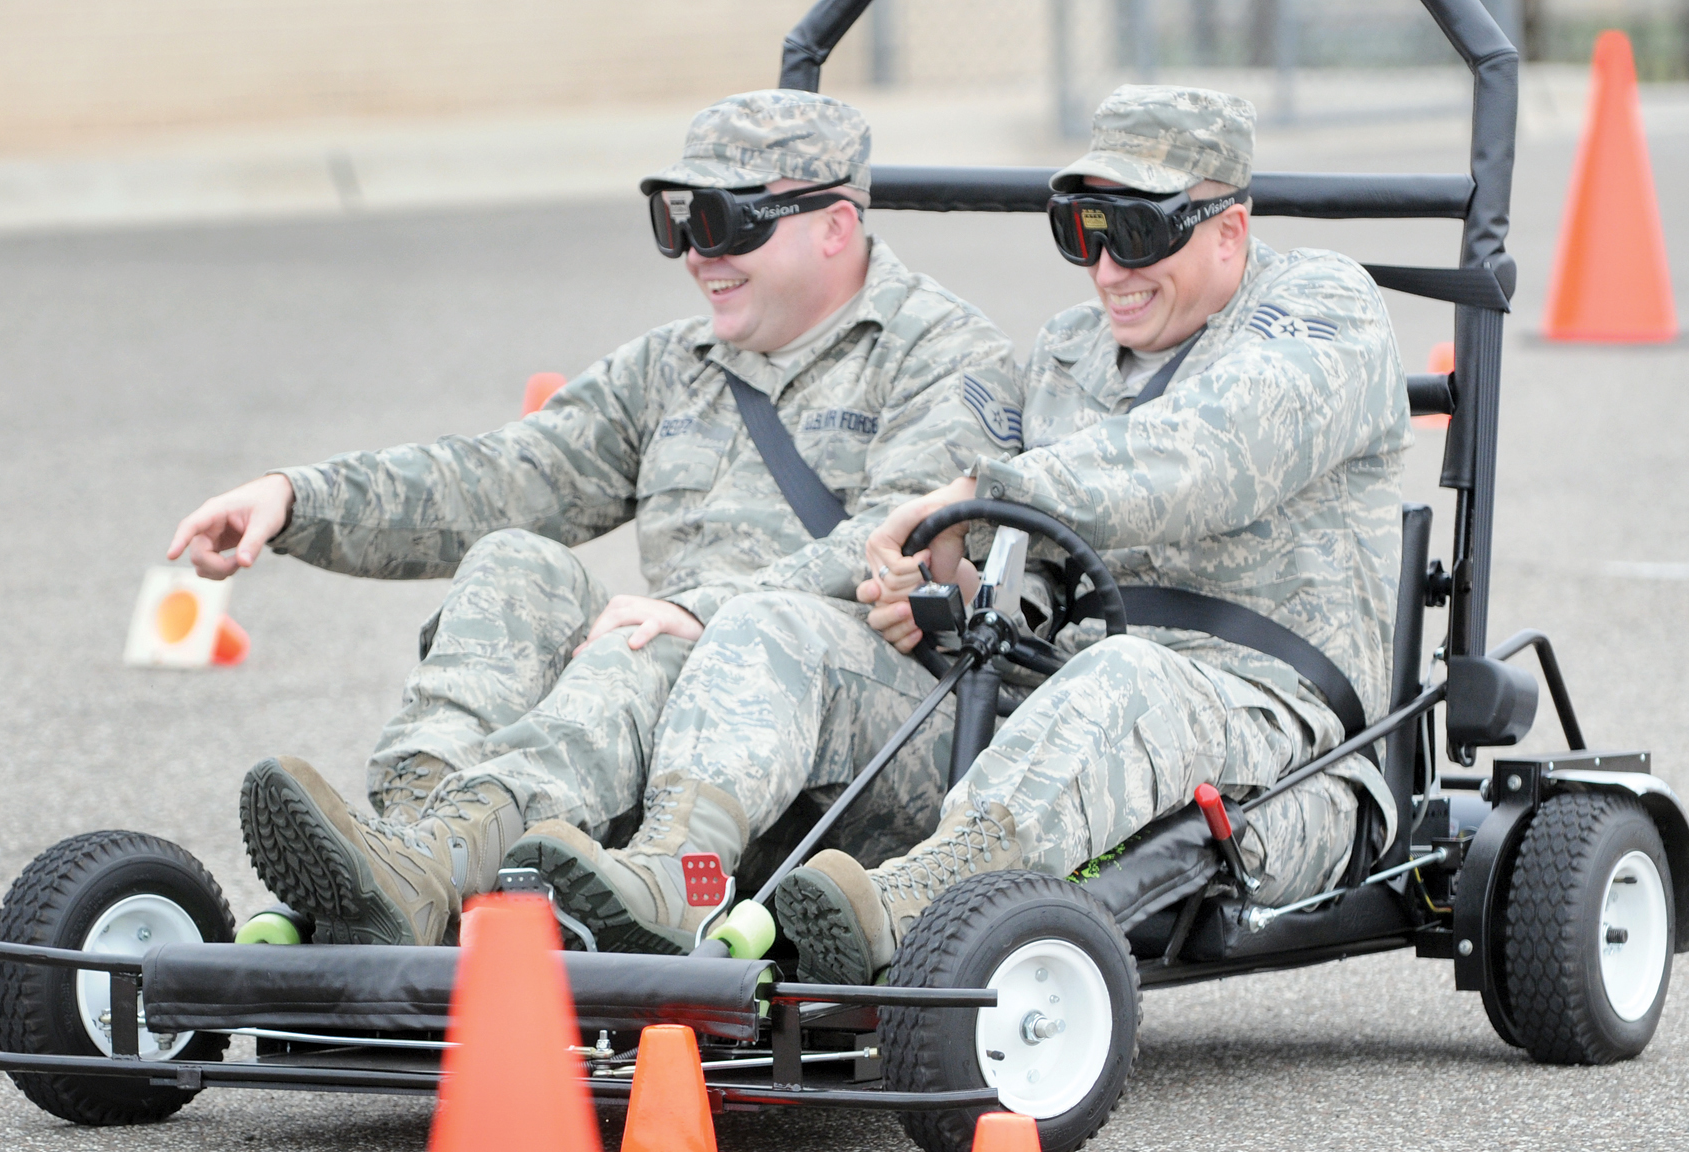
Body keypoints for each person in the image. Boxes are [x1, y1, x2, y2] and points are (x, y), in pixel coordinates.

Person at [533, 84, 1410, 982]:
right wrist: (950, 593)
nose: (1108, 270)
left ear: (1228, 229)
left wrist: (986, 492)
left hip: (1281, 753)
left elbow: (1204, 457)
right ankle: (677, 873)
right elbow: (1033, 572)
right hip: (1050, 721)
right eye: (1084, 231)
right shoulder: (1068, 352)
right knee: (773, 624)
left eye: (1138, 234)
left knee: (1124, 674)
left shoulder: (1320, 307)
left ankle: (910, 911)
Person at [166, 89, 1022, 948]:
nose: (698, 253)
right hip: (683, 737)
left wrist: (701, 612)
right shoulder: (670, 368)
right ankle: (414, 851)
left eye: (728, 222)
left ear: (834, 225)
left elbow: (895, 538)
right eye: (680, 219)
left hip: (860, 755)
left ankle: (434, 866)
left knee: (657, 642)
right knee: (515, 564)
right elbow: (499, 477)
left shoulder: (944, 353)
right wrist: (296, 499)